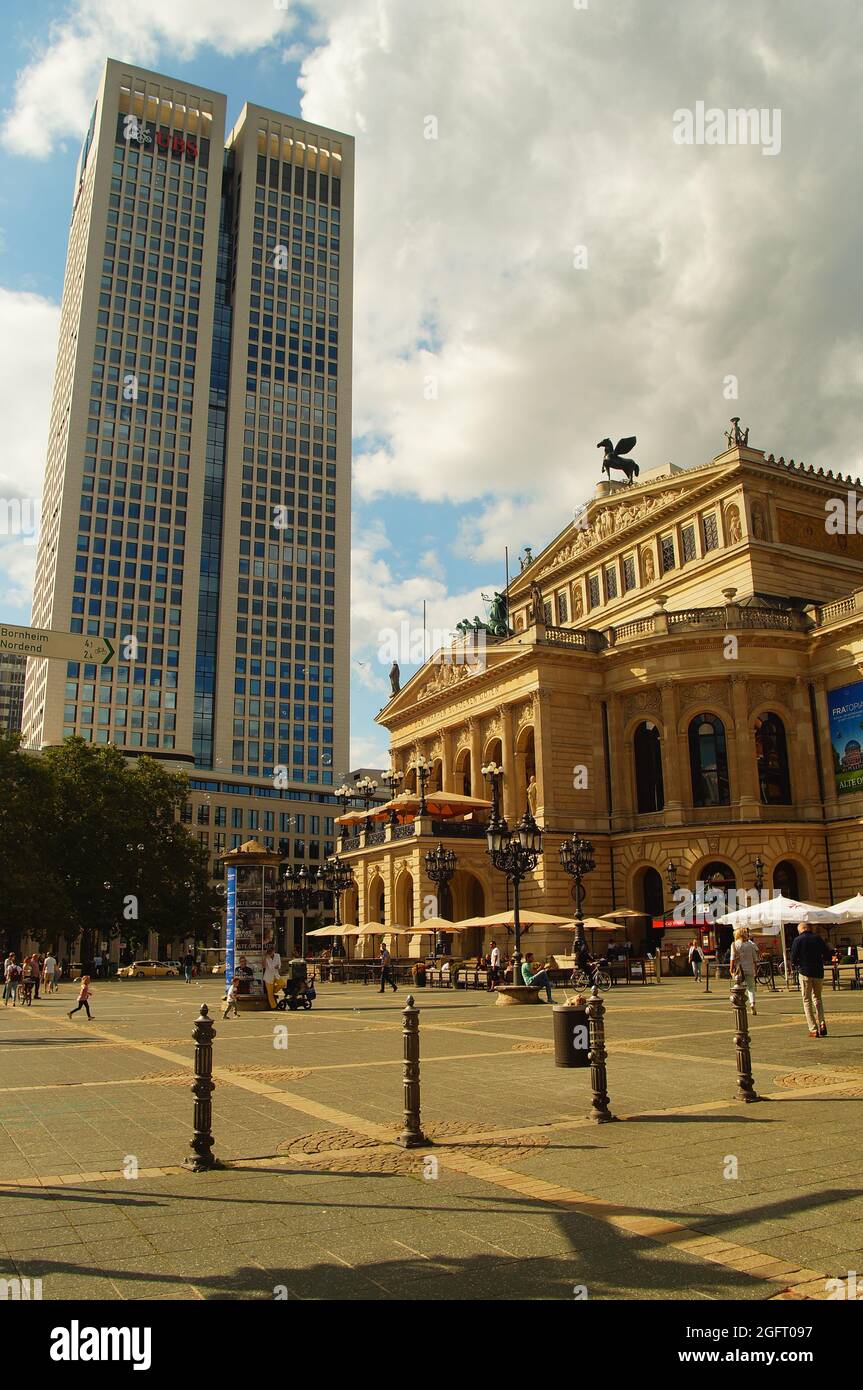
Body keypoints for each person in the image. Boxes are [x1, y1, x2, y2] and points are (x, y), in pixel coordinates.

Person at [790, 922, 832, 1038]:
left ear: (801, 929)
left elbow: (793, 958)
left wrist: (798, 964)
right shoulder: (818, 939)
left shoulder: (798, 940)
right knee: (817, 997)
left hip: (805, 972)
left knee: (806, 1000)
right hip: (818, 972)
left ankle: (813, 1029)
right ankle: (822, 1022)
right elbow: (827, 955)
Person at [729, 927, 759, 1014]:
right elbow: (755, 959)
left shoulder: (734, 944)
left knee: (739, 988)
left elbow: (732, 958)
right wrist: (755, 970)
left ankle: (740, 1004)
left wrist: (731, 969)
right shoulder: (751, 944)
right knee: (751, 988)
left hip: (739, 970)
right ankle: (752, 1003)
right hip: (750, 968)